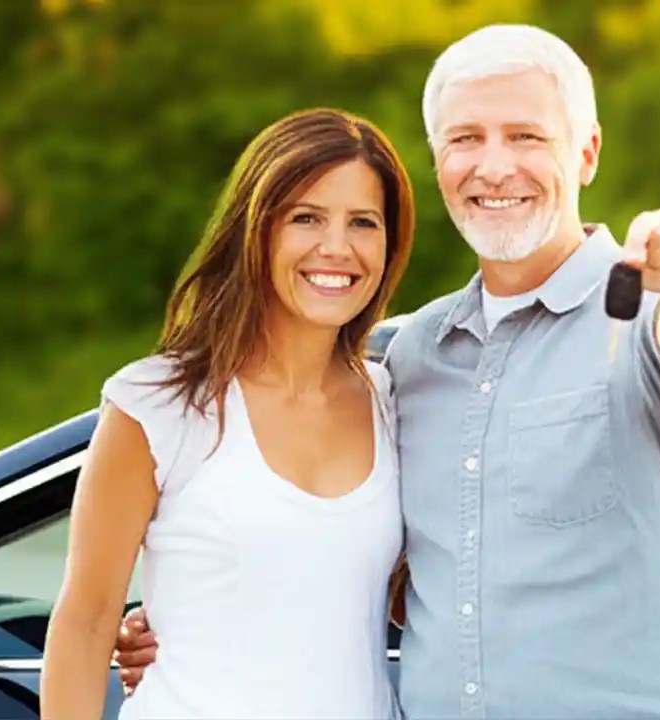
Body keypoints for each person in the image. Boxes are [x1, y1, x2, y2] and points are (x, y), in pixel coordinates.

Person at [115, 24, 660, 720]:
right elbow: (356, 559)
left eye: (526, 136)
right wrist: (193, 617)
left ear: (587, 152)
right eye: (466, 139)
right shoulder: (410, 358)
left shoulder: (646, 312)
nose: (494, 166)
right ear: (438, 161)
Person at [39, 107, 417, 719]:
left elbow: (417, 594)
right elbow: (85, 623)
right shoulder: (158, 405)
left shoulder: (395, 402)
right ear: (257, 229)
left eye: (363, 223)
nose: (337, 248)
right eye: (307, 218)